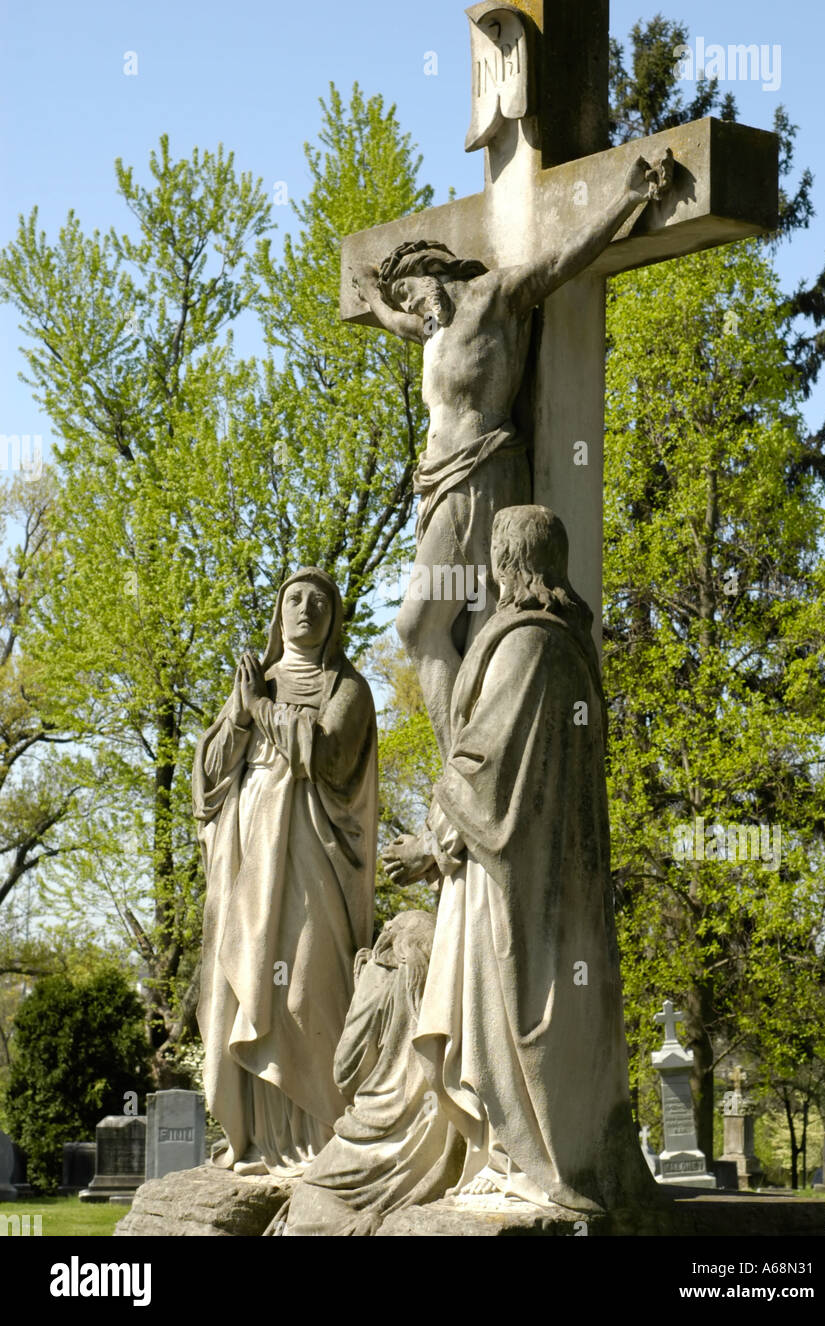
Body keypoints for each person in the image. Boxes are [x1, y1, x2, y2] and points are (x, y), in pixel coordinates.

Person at [353, 149, 674, 759]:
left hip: (484, 471)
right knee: (461, 624)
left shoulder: (494, 296)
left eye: (412, 291)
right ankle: (472, 767)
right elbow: (389, 317)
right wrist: (372, 289)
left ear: (434, 273)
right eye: (405, 300)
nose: (411, 306)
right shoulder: (430, 329)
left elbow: (562, 259)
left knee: (421, 623)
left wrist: (628, 198)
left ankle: (466, 767)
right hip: (438, 486)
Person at [383, 507, 652, 1211]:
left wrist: (432, 839)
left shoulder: (528, 645)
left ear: (507, 565)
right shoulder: (567, 646)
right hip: (543, 875)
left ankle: (528, 1161)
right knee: (536, 1003)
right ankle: (523, 1154)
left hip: (510, 878)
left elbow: (484, 766)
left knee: (513, 1001)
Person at [193, 568, 377, 1175]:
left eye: (319, 600)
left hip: (313, 860)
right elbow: (212, 781)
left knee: (306, 986)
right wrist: (244, 716)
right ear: (278, 615)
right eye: (294, 599)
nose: (305, 608)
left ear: (334, 618)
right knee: (256, 985)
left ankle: (323, 1139)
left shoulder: (347, 688)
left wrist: (262, 712)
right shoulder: (257, 683)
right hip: (250, 861)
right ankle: (262, 1144)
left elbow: (328, 754)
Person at [268, 911, 463, 1236]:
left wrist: (366, 985)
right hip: (435, 1148)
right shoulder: (455, 987)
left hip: (370, 1140)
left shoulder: (383, 973)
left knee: (308, 1201)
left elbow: (346, 1072)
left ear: (391, 940)